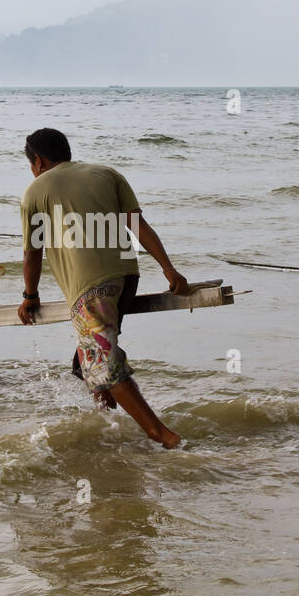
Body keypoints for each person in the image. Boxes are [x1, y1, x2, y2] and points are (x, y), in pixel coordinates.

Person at [17, 128, 189, 448]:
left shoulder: (35, 191)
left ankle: (162, 435)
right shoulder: (107, 173)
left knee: (104, 365)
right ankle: (109, 426)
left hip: (91, 288)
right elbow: (137, 225)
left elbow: (32, 253)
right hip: (126, 278)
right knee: (89, 363)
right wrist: (169, 269)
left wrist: (30, 296)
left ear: (38, 161)